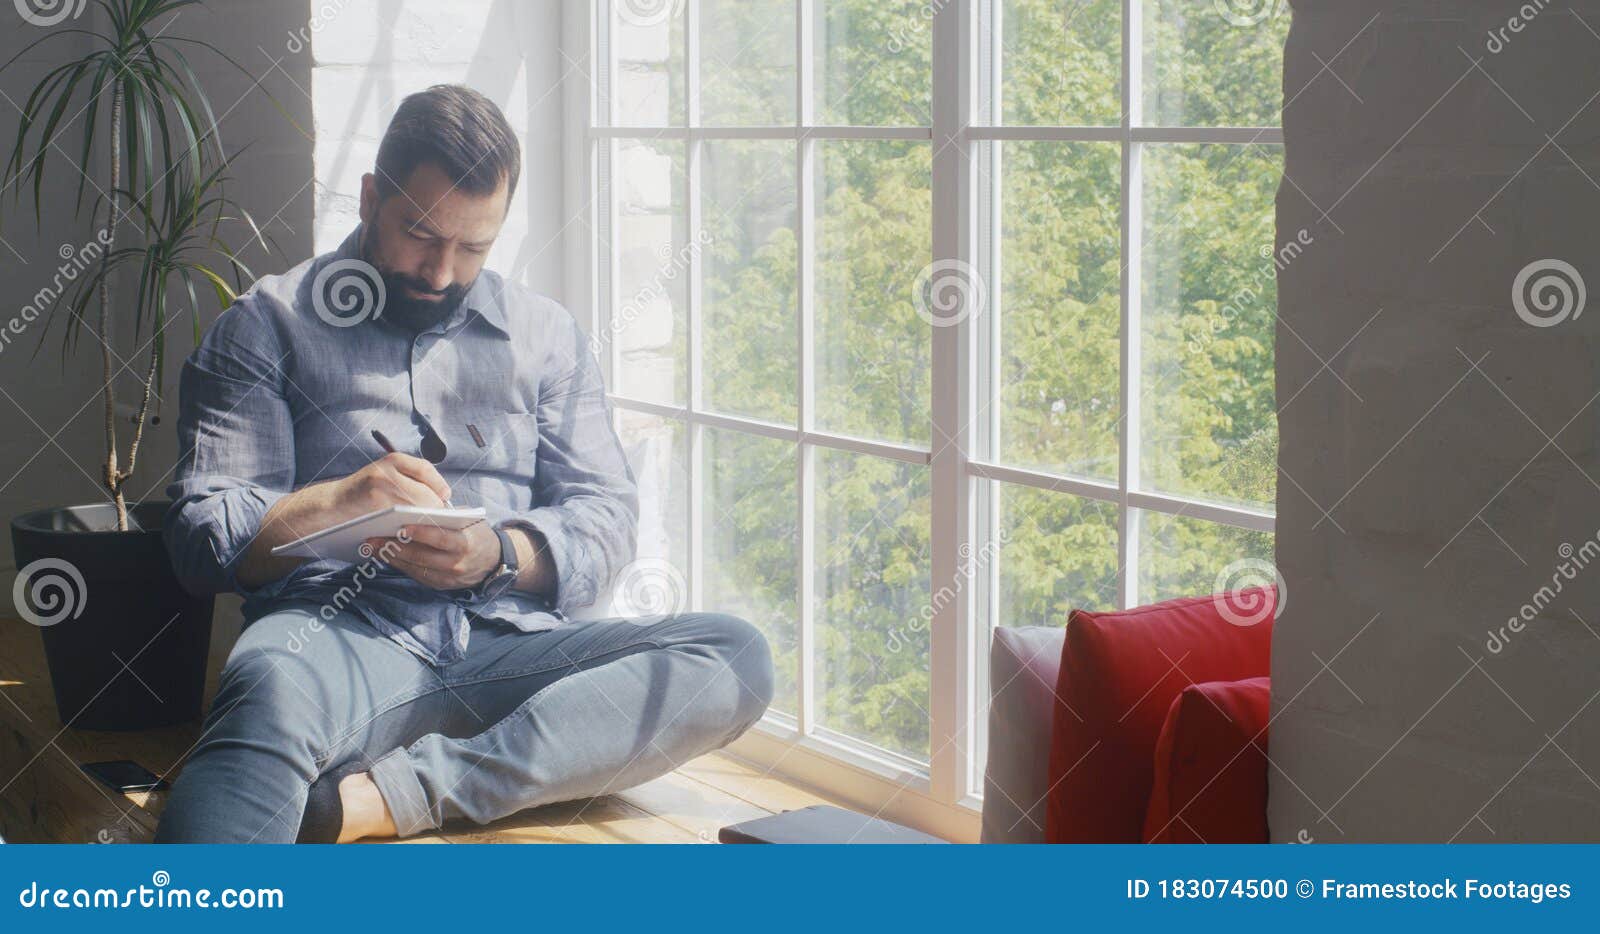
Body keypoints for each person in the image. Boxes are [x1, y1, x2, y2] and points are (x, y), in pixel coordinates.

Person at [153, 85, 773, 844]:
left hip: (511, 649)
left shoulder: (546, 337)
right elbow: (200, 541)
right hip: (333, 638)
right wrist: (340, 502)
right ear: (372, 197)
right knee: (259, 706)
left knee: (733, 656)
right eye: (420, 233)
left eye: (473, 247)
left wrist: (500, 553)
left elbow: (608, 519)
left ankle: (375, 803)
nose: (442, 272)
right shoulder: (264, 326)